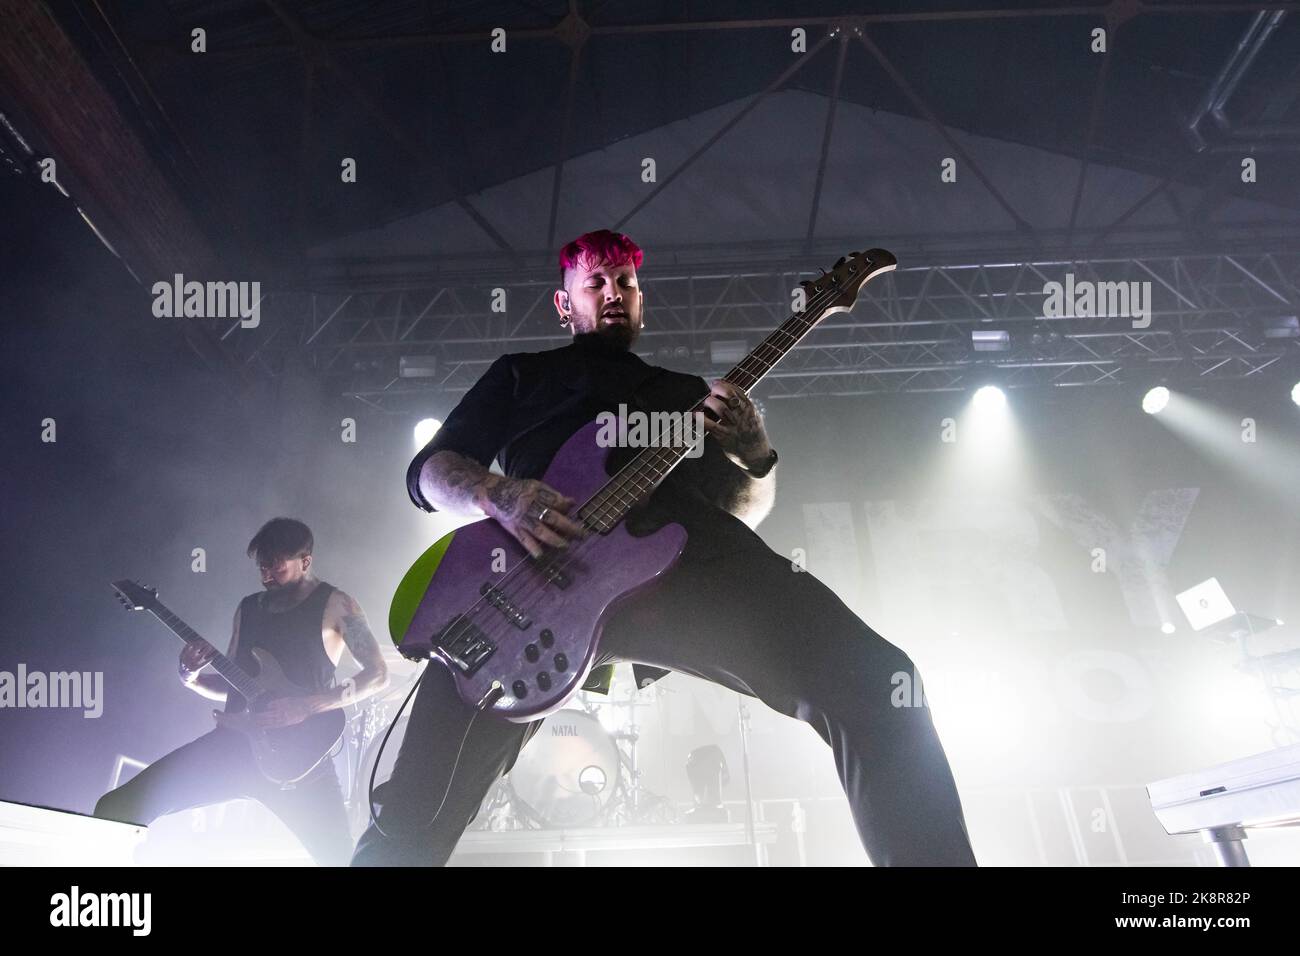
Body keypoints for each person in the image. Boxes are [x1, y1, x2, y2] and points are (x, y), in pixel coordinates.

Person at [352, 230, 976, 866]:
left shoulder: (684, 394)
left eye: (625, 282)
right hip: (529, 594)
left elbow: (743, 508)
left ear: (641, 300)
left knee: (881, 683)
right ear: (564, 304)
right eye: (595, 283)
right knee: (415, 808)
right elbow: (429, 474)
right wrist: (499, 495)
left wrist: (755, 452)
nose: (613, 293)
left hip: (683, 572)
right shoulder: (522, 374)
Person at [95, 518, 388, 865]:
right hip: (233, 747)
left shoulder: (336, 604)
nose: (267, 576)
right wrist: (190, 675)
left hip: (300, 761)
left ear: (305, 561)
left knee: (345, 860)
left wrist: (305, 706)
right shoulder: (248, 608)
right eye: (262, 567)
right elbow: (235, 686)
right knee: (116, 807)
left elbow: (377, 675)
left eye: (276, 566)